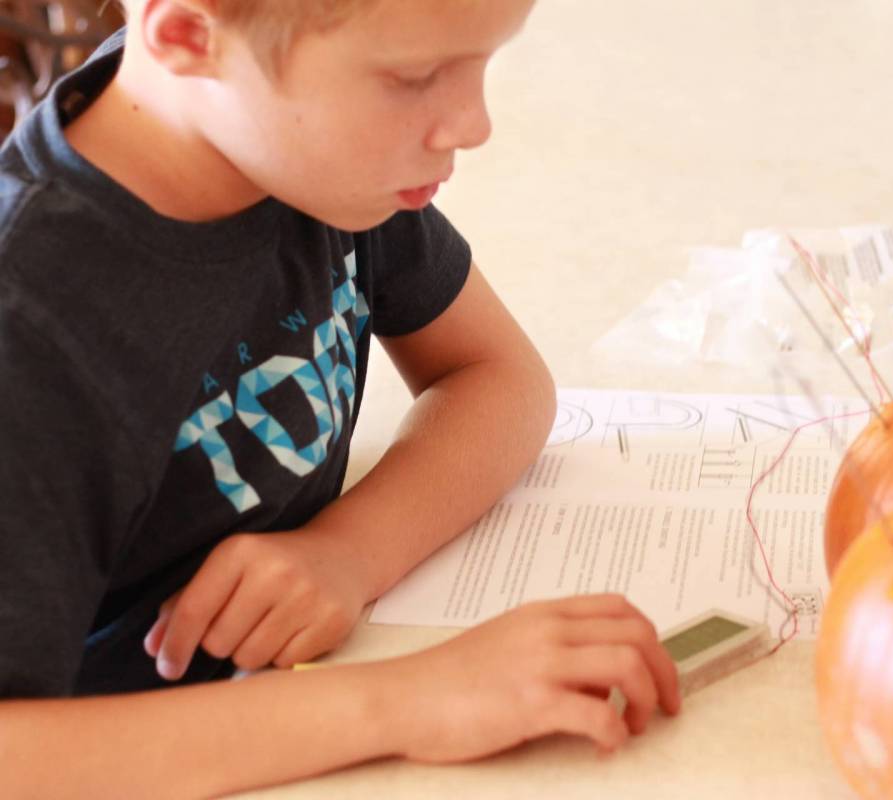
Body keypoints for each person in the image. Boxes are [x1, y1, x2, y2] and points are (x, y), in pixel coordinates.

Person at [0, 0, 681, 795]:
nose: (473, 125)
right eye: (414, 77)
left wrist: (349, 553)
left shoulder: (289, 151)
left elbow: (497, 375)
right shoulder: (29, 322)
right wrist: (408, 702)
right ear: (188, 36)